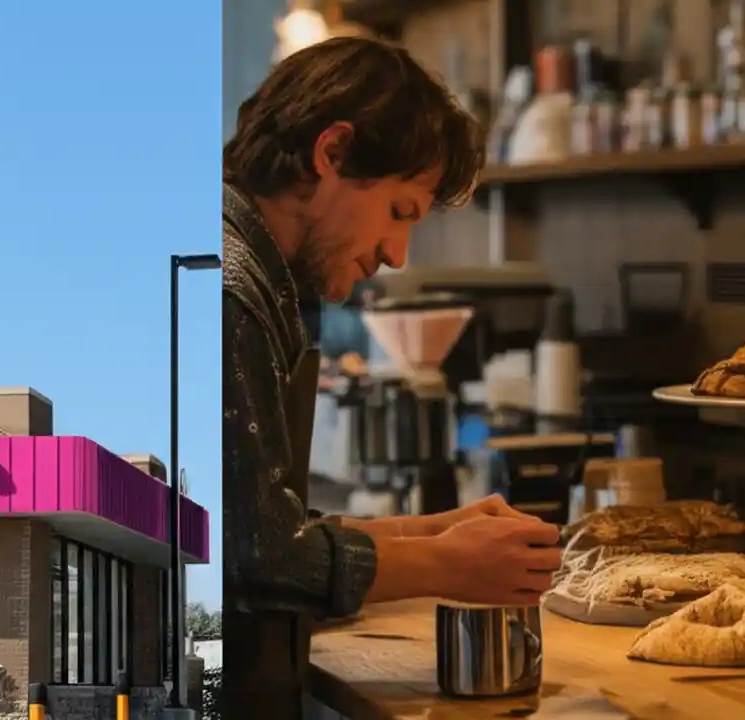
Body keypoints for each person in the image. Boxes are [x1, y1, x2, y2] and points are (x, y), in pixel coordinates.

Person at [222, 37, 563, 718]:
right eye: (401, 212)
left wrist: (438, 533)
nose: (397, 255)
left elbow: (264, 524)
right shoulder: (228, 288)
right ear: (333, 153)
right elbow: (259, 561)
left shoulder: (257, 279)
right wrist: (449, 566)